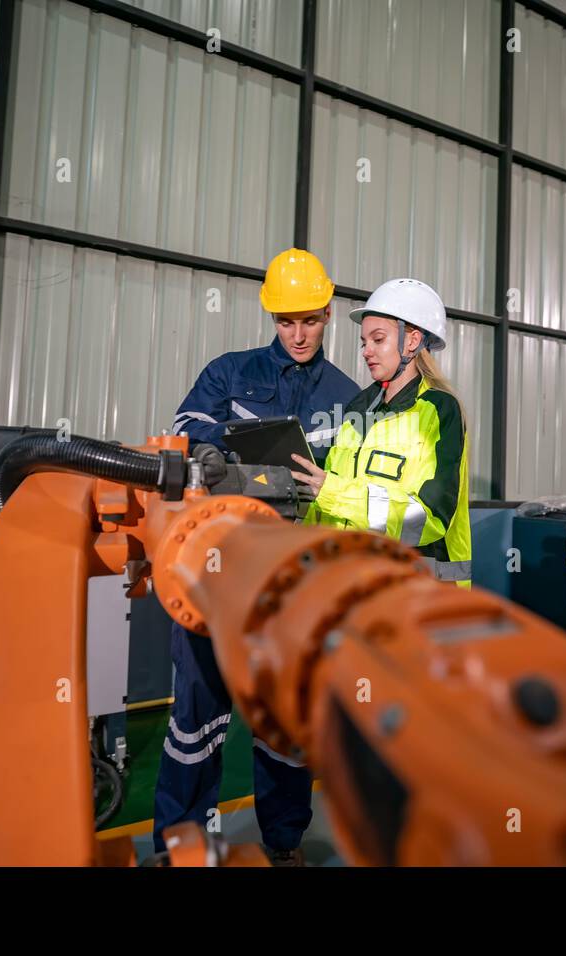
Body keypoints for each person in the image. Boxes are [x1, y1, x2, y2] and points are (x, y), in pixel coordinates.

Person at [154, 248, 359, 866]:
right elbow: (184, 428)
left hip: (294, 581)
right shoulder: (228, 374)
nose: (298, 335)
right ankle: (181, 843)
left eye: (310, 321)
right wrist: (224, 451)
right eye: (286, 321)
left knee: (285, 722)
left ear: (328, 314)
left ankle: (284, 843)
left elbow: (353, 485)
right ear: (272, 317)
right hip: (214, 576)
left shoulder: (349, 397)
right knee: (196, 719)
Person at [291, 278, 472, 589]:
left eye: (378, 339)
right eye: (364, 342)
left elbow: (427, 519)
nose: (366, 351)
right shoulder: (358, 407)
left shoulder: (439, 410)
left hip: (419, 593)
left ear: (412, 341)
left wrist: (332, 492)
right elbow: (329, 499)